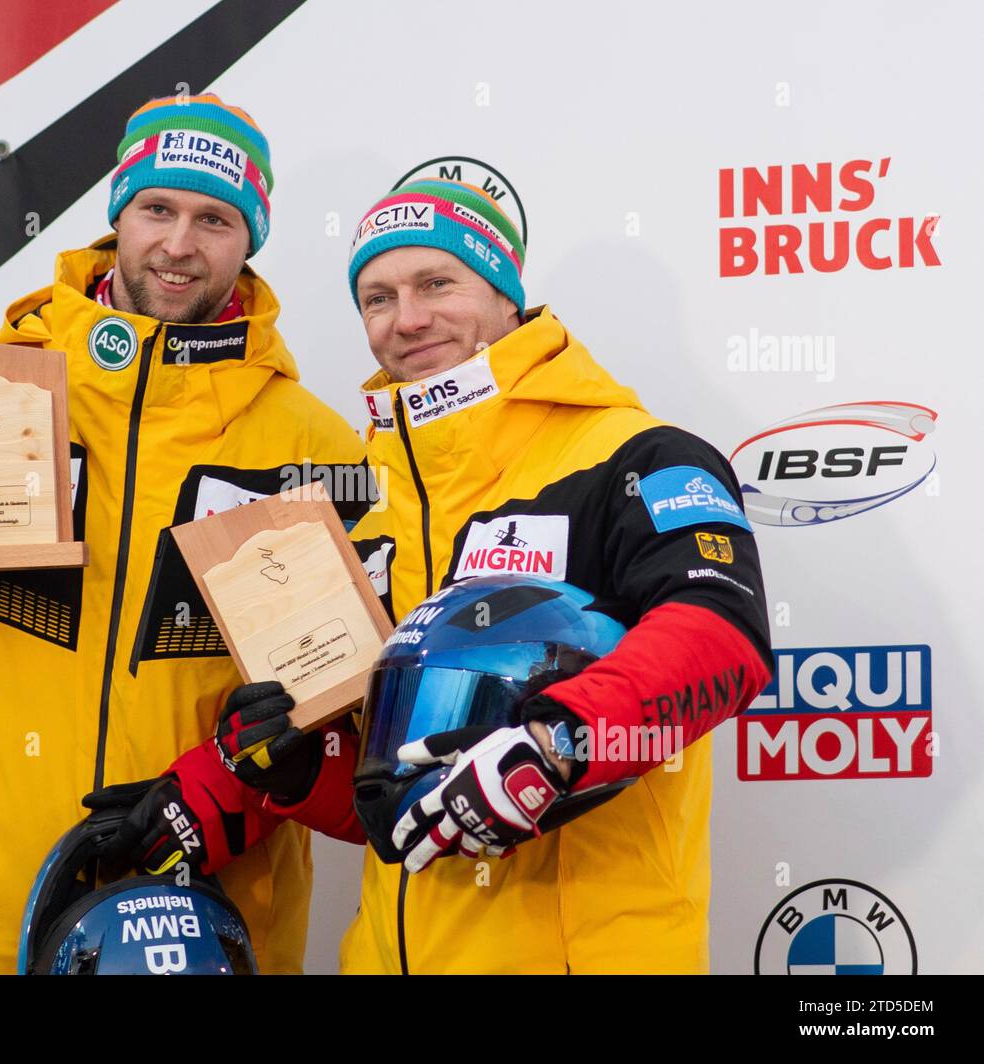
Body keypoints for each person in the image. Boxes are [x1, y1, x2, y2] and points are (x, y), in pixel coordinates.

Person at [0, 94, 369, 974]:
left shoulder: (310, 448)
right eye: (158, 208)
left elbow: (345, 762)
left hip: (207, 943)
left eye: (214, 220)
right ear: (118, 215)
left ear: (249, 239)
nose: (179, 244)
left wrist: (230, 797)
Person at [217, 176, 775, 974]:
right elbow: (403, 795)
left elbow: (724, 641)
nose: (407, 319)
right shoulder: (369, 506)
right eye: (377, 298)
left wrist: (558, 744)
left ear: (506, 295)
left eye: (436, 283)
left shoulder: (637, 454)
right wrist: (307, 769)